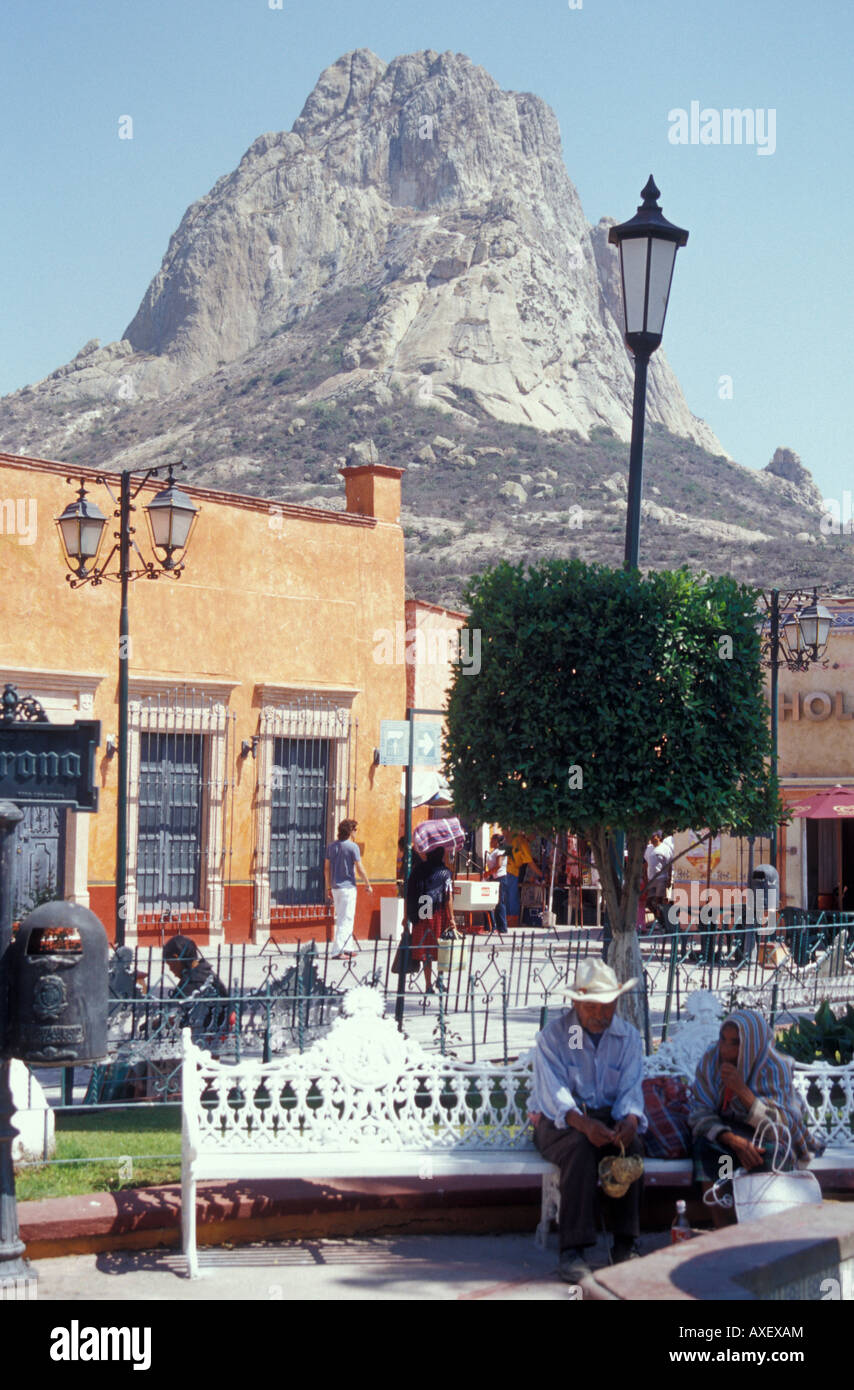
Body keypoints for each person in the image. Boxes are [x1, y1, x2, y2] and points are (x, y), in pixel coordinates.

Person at [529, 959, 647, 1284]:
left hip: (606, 1116)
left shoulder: (627, 1037)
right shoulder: (556, 1036)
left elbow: (630, 1087)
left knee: (632, 1147)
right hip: (559, 1121)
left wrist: (630, 1120)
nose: (600, 1015)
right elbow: (555, 1096)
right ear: (575, 1003)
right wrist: (584, 1125)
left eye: (607, 1007)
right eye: (592, 1007)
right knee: (580, 1149)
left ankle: (625, 1245)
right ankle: (573, 1251)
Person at [690, 1009, 813, 1227]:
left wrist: (742, 1091)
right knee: (711, 1151)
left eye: (735, 1043)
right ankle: (725, 1227)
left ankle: (766, 1227)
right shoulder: (711, 1060)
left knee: (769, 1155)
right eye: (723, 1040)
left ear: (751, 1045)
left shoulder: (775, 1067)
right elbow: (700, 1110)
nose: (726, 1050)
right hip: (726, 1135)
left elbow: (782, 1123)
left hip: (764, 1133)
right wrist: (733, 1140)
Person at [162, 934, 231, 1047]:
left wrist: (156, 1023)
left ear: (176, 958)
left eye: (170, 965)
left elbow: (175, 1018)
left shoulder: (191, 983)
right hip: (216, 1036)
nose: (171, 970)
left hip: (197, 1040)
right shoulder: (207, 973)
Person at [405, 844, 456, 994]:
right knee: (441, 947)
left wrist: (406, 916)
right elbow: (448, 898)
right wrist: (452, 918)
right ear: (441, 856)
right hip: (439, 911)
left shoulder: (417, 870)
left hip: (423, 909)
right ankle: (440, 981)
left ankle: (428, 985)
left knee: (426, 949)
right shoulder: (445, 873)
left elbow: (409, 895)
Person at [325, 818, 372, 959]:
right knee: (345, 919)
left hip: (335, 887)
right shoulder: (353, 847)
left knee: (344, 917)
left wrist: (328, 887)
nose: (357, 832)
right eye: (355, 829)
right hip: (348, 888)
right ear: (350, 831)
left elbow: (326, 869)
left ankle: (348, 947)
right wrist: (367, 884)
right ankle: (338, 951)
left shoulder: (331, 847)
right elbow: (359, 868)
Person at [504, 830, 542, 925]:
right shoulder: (523, 842)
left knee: (507, 896)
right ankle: (512, 921)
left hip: (505, 869)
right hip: (512, 871)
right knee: (512, 897)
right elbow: (530, 863)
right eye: (533, 836)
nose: (533, 838)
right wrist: (542, 874)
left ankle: (507, 920)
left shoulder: (516, 838)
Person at [484, 832, 508, 934]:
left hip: (500, 879)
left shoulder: (500, 851)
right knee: (494, 903)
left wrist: (488, 873)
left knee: (499, 903)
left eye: (492, 840)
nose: (490, 842)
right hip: (494, 878)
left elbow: (498, 865)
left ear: (497, 842)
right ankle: (493, 926)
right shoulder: (494, 851)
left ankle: (502, 927)